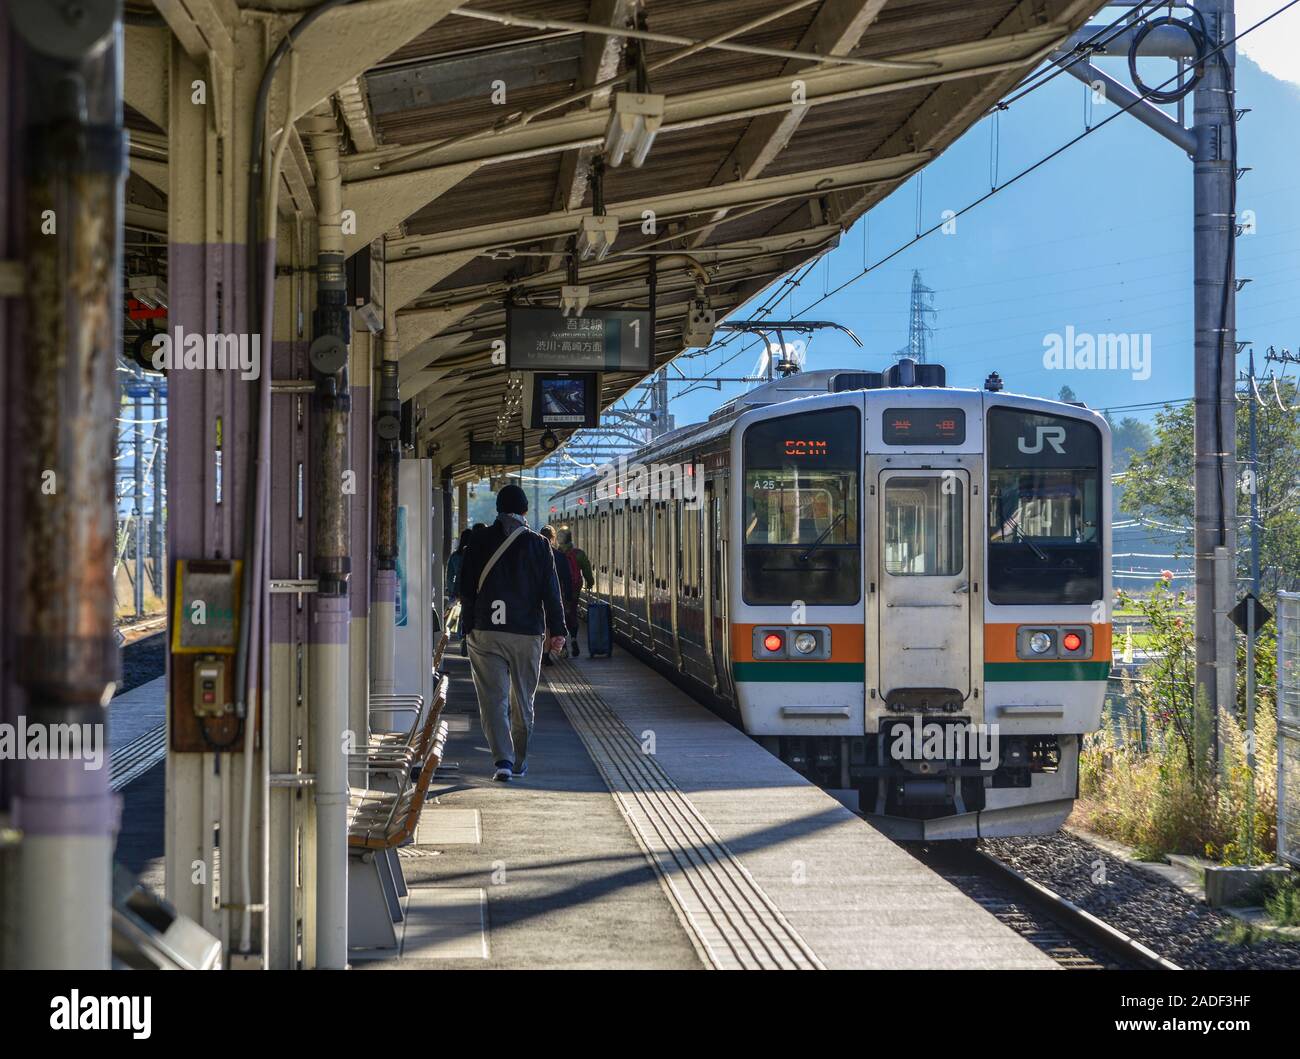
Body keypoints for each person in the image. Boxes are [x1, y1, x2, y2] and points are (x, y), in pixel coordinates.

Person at [458, 485, 567, 782]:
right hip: (526, 633)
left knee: (493, 700)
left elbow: (465, 589)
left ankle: (502, 760)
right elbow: (551, 593)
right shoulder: (539, 544)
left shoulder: (478, 540)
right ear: (524, 511)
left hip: (486, 631)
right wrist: (558, 631)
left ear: (497, 509)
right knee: (522, 699)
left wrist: (467, 627)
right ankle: (519, 761)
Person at [539, 526, 576, 667]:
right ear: (553, 538)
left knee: (543, 625)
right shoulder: (560, 557)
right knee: (552, 624)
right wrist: (568, 597)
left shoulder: (535, 555)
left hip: (538, 597)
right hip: (556, 596)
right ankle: (549, 652)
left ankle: (544, 652)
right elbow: (567, 579)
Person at [558, 530, 593, 657]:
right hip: (574, 590)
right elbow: (587, 570)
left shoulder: (556, 553)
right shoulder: (579, 554)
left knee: (560, 616)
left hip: (560, 591)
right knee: (572, 612)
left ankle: (564, 647)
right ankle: (573, 638)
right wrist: (590, 582)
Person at [446, 528, 473, 654]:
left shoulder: (455, 556)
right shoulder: (474, 554)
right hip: (473, 591)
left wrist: (453, 593)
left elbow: (450, 576)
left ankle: (463, 637)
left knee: (463, 614)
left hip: (460, 591)